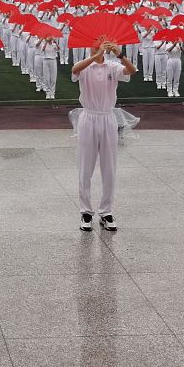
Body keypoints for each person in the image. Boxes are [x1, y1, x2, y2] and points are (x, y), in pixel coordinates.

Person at [71, 42, 137, 231]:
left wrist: (119, 54)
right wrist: (95, 56)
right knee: (85, 167)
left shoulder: (113, 66)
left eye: (98, 45)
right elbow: (75, 70)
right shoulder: (85, 65)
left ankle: (106, 212)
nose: (95, 47)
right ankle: (85, 212)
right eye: (92, 45)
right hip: (88, 117)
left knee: (109, 167)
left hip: (107, 117)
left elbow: (131, 71)